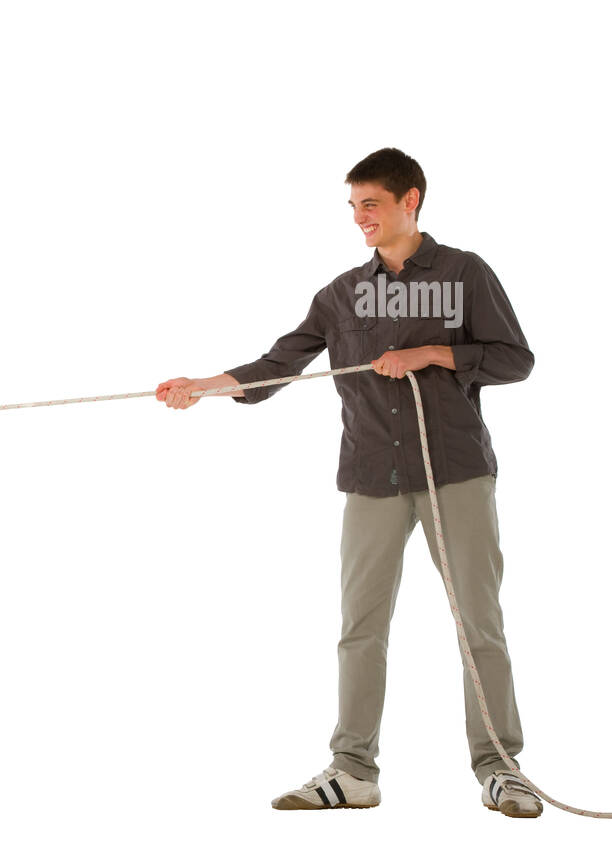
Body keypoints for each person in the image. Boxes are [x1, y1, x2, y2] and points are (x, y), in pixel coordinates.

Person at [156, 148, 542, 817]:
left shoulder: (464, 272)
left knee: (480, 623)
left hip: (455, 471)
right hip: (371, 476)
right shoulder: (340, 294)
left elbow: (516, 359)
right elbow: (280, 364)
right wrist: (203, 387)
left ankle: (501, 768)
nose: (361, 217)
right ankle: (353, 770)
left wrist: (431, 353)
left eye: (373, 204)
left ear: (410, 201)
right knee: (360, 626)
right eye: (354, 206)